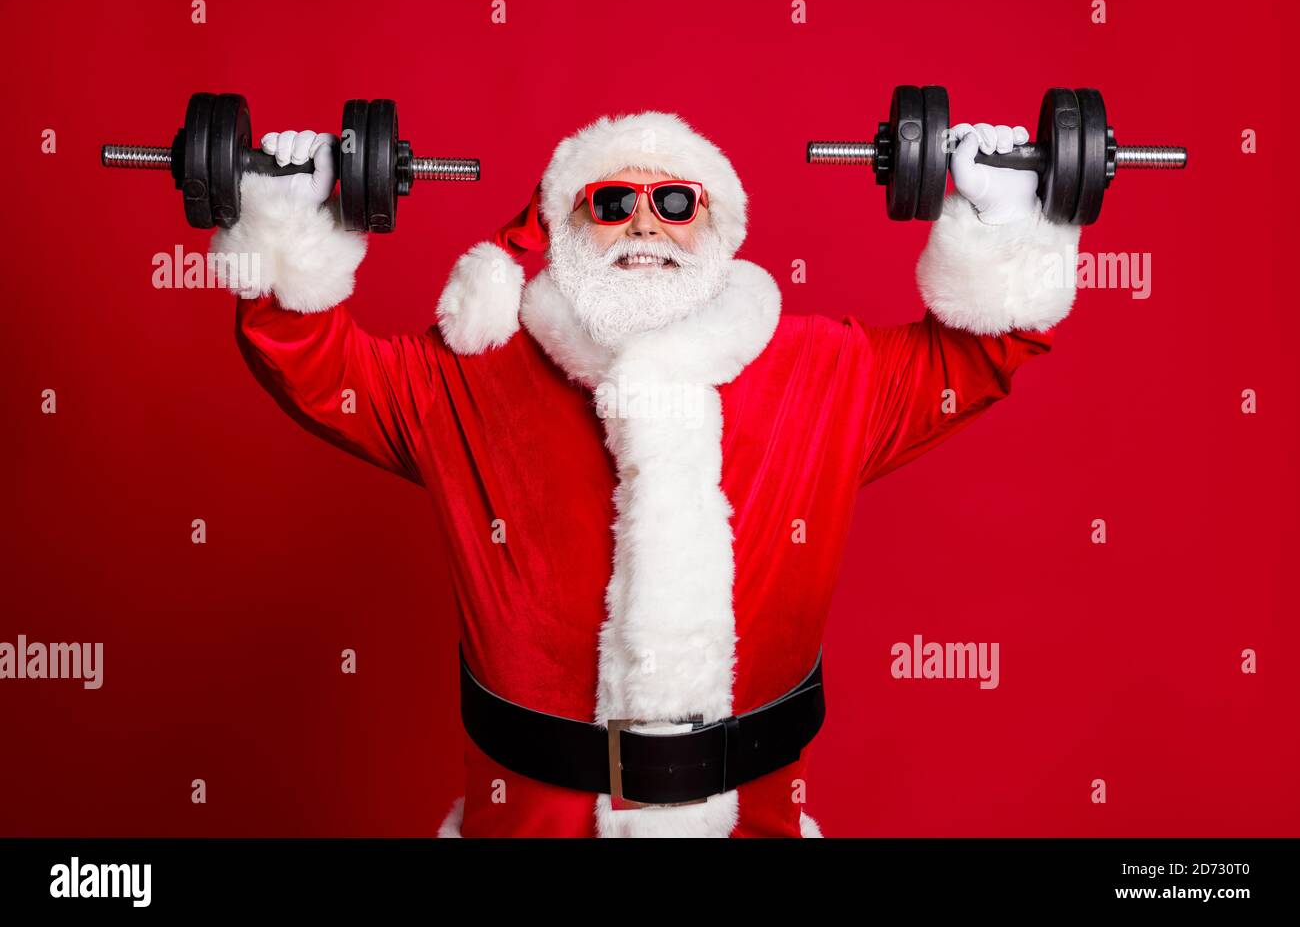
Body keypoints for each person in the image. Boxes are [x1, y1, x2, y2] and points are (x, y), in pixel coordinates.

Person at [210, 111, 1079, 837]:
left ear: (721, 232)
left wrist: (1002, 215)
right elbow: (316, 368)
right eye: (611, 203)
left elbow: (986, 346)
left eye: (674, 203)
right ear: (561, 231)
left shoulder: (828, 369)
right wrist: (287, 221)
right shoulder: (469, 377)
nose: (644, 227)